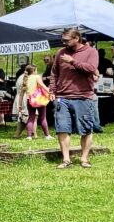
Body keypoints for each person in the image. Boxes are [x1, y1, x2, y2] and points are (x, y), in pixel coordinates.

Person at [50, 27, 99, 168]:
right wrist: (52, 90)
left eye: (66, 40)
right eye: (62, 40)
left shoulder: (91, 52)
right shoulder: (60, 52)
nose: (63, 42)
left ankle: (84, 159)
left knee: (86, 129)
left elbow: (91, 69)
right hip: (62, 97)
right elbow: (54, 73)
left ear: (76, 38)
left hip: (83, 96)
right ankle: (66, 159)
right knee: (62, 128)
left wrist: (72, 61)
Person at [23, 63, 51, 140]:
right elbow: (42, 85)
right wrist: (49, 91)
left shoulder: (26, 78)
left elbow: (23, 91)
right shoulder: (37, 77)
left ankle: (28, 136)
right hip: (39, 99)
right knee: (42, 118)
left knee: (31, 118)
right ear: (34, 70)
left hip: (29, 100)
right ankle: (47, 135)